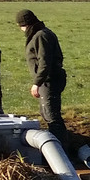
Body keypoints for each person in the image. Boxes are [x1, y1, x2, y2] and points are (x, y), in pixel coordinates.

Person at [16, 9, 69, 142]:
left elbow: (45, 62)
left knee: (52, 117)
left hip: (49, 80)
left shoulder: (40, 36)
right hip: (48, 80)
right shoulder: (42, 33)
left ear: (25, 24)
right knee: (47, 114)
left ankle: (60, 149)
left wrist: (37, 83)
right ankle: (61, 146)